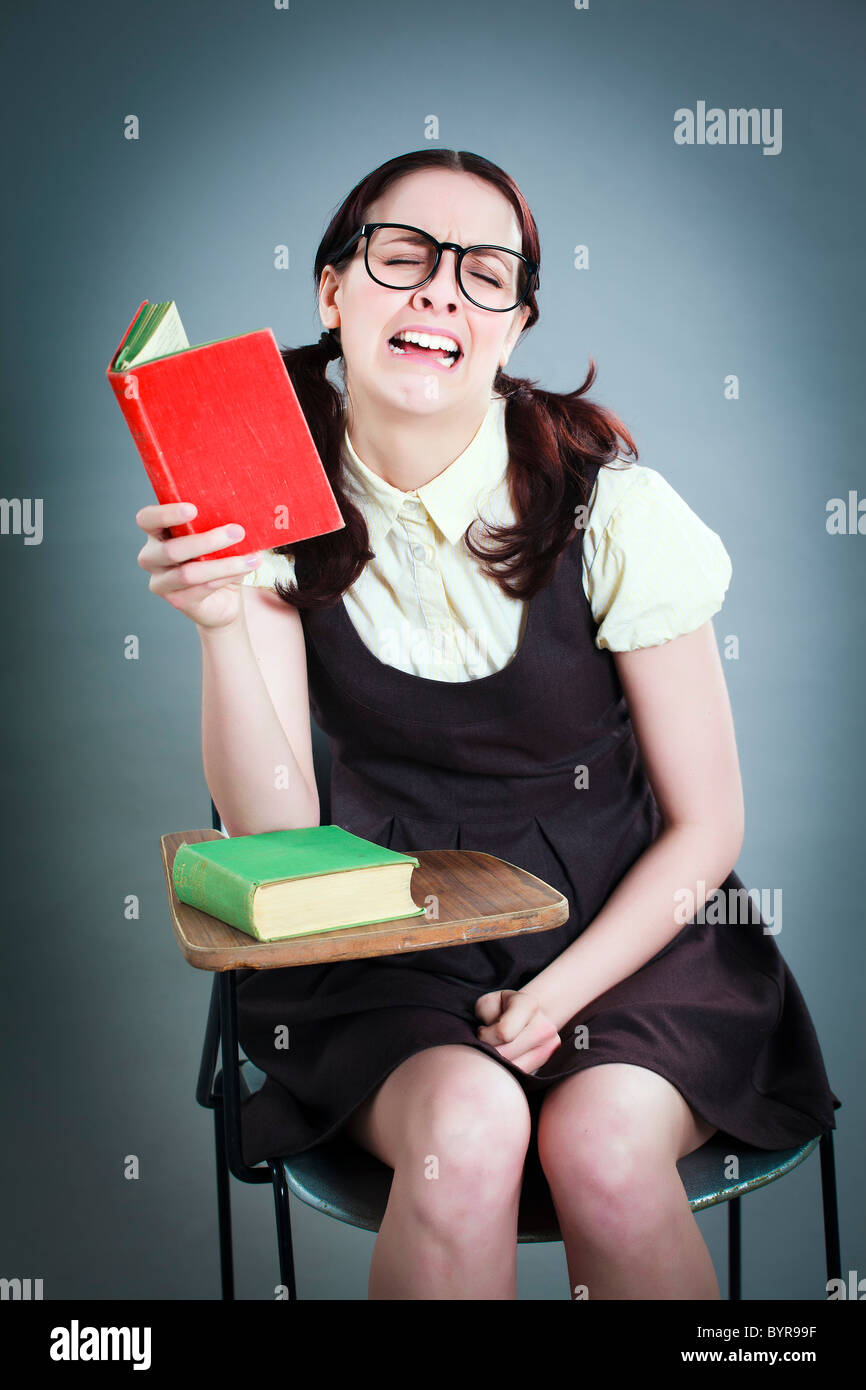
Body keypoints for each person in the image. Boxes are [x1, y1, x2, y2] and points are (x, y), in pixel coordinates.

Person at [135, 148, 840, 1301]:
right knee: (461, 1140)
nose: (438, 292)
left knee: (603, 1151)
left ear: (512, 327)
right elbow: (276, 832)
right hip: (380, 947)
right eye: (401, 255)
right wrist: (220, 621)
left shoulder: (609, 506)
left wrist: (557, 999)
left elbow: (707, 824)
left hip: (626, 937)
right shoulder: (261, 493)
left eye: (482, 274)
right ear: (331, 290)